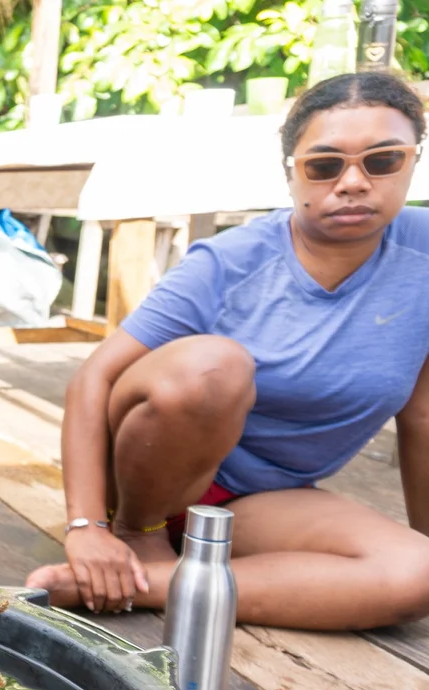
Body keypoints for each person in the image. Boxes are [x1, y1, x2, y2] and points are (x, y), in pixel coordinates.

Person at [26, 72, 429, 629]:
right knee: (213, 366)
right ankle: (135, 541)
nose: (353, 182)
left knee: (418, 572)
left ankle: (146, 586)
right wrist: (87, 527)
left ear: (413, 160)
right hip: (149, 482)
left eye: (383, 160)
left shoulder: (422, 254)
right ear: (291, 172)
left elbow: (423, 415)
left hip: (264, 502)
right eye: (325, 165)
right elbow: (93, 378)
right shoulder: (229, 261)